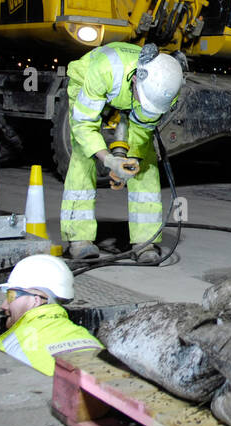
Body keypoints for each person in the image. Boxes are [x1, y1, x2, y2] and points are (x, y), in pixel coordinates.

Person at [61, 42, 184, 262]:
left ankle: (145, 242)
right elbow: (84, 125)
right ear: (136, 80)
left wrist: (130, 162)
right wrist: (109, 160)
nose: (144, 106)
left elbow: (142, 129)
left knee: (146, 165)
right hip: (87, 80)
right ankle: (79, 238)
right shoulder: (104, 70)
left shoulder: (164, 89)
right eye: (142, 100)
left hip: (124, 91)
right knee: (83, 156)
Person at [0, 254, 101, 376]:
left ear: (35, 301)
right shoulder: (86, 338)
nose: (4, 306)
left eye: (11, 296)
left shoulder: (10, 345)